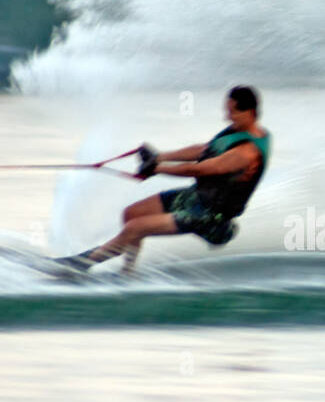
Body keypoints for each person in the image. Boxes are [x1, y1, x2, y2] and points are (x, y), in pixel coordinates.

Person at [57, 86, 270, 274]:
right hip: (197, 199)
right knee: (131, 214)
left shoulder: (247, 153)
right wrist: (159, 156)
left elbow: (200, 169)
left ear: (249, 113)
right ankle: (127, 273)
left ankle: (82, 264)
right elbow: (204, 150)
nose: (227, 116)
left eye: (232, 111)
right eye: (228, 110)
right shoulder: (240, 130)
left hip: (211, 217)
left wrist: (157, 169)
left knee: (135, 228)